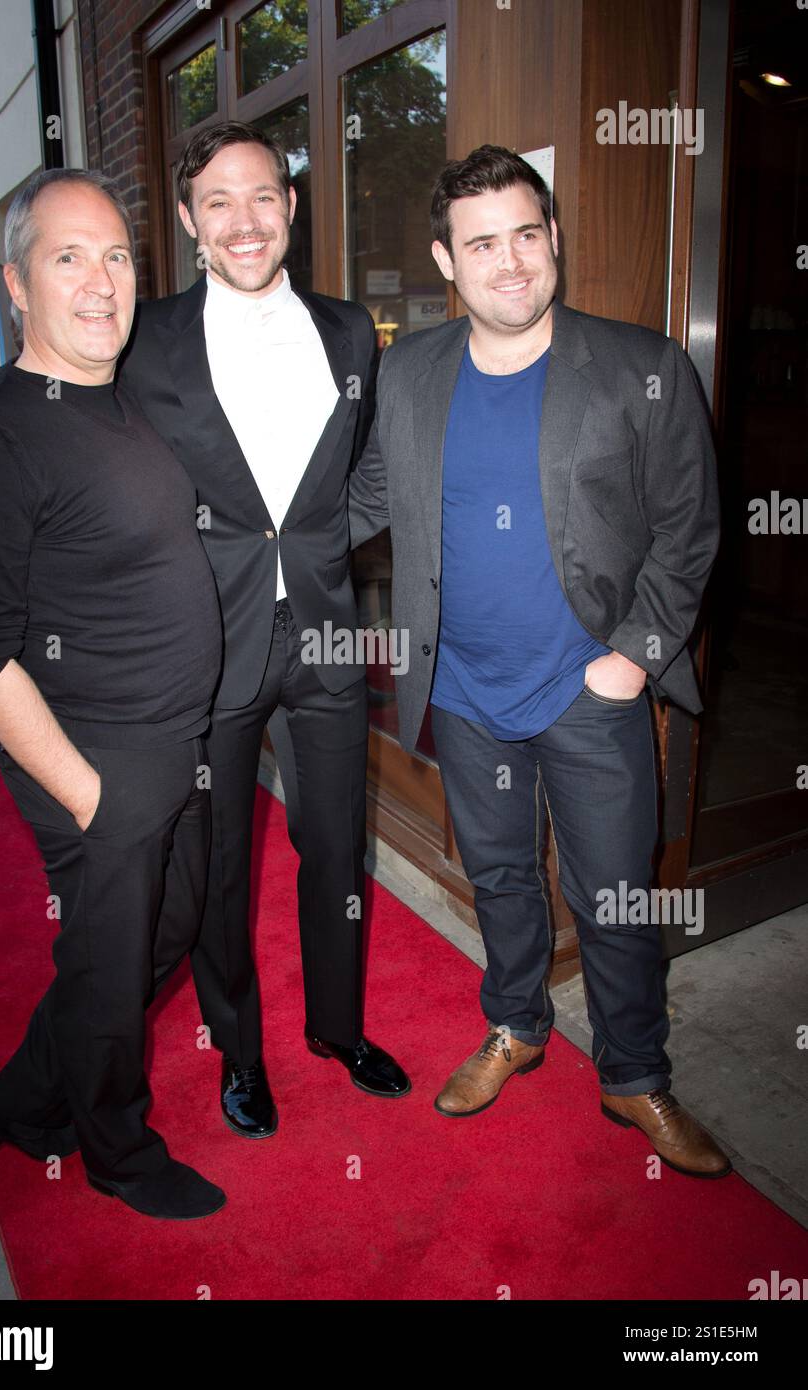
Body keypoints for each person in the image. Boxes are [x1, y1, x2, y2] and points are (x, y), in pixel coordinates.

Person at [348, 144, 730, 1179]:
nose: (510, 261)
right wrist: (265, 543)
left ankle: (635, 1075)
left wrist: (630, 660)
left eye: (527, 233)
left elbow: (691, 530)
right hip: (465, 690)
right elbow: (372, 498)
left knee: (614, 894)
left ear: (553, 236)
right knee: (504, 876)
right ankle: (515, 1024)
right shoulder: (411, 371)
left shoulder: (644, 366)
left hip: (588, 690)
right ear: (446, 260)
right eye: (482, 243)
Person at [0, 168, 226, 1219]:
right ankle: (116, 1151)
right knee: (109, 964)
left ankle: (15, 1095)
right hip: (97, 758)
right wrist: (90, 796)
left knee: (162, 934)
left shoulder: (118, 394)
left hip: (171, 740)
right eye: (68, 256)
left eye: (116, 255)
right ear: (14, 283)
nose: (101, 280)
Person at [119, 122, 410, 1138]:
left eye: (263, 198)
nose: (245, 221)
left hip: (327, 634)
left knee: (337, 847)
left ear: (291, 209)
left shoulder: (348, 330)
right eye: (219, 203)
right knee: (222, 866)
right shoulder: (145, 337)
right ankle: (239, 1051)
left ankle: (338, 1027)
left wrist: (328, 542)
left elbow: (359, 469)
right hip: (208, 639)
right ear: (193, 223)